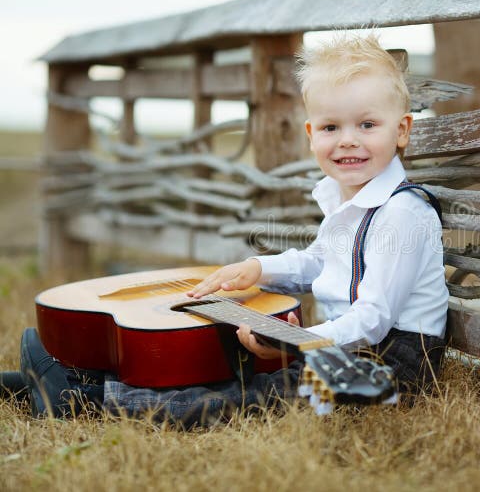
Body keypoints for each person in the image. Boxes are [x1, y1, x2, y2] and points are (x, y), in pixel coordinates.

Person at [1, 33, 449, 425]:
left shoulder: (400, 214)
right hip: (347, 346)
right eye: (332, 126)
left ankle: (85, 397)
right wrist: (259, 268)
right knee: (248, 367)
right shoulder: (345, 198)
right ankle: (43, 383)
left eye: (367, 125)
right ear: (311, 134)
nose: (348, 139)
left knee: (254, 397)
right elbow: (319, 262)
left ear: (402, 131)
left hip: (390, 368)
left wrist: (300, 344)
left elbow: (374, 319)